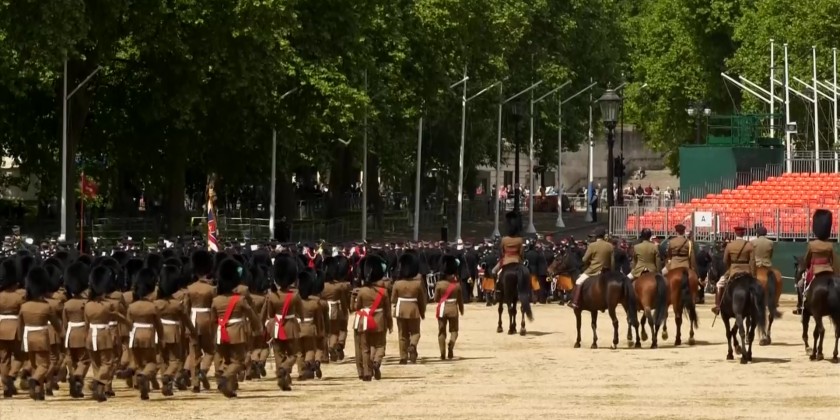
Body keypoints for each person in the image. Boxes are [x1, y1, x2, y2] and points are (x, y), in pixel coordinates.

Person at [210, 258, 262, 398]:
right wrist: (258, 329)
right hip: (236, 332)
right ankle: (226, 377)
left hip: (221, 333)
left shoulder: (216, 300)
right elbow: (251, 315)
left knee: (227, 361)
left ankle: (229, 387)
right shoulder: (240, 299)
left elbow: (213, 319)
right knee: (238, 361)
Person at [18, 267, 63, 400]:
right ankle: (35, 379)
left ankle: (38, 392)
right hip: (41, 337)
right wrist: (62, 335)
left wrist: (21, 340)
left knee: (34, 365)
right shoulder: (46, 306)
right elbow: (56, 324)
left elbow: (20, 325)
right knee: (44, 364)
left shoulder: (24, 306)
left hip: (28, 337)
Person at [155, 265, 197, 396]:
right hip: (173, 331)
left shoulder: (156, 303)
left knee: (163, 359)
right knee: (175, 360)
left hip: (159, 331)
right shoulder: (176, 304)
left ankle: (166, 385)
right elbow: (186, 319)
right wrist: (193, 331)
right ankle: (168, 376)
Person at [265, 253, 303, 391]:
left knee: (278, 354)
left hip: (277, 326)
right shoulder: (295, 295)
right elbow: (301, 312)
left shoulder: (272, 296)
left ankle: (283, 380)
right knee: (293, 354)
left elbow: (270, 314)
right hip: (291, 326)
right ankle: (284, 370)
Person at [127, 268, 165, 400]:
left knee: (139, 363)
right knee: (152, 363)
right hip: (148, 335)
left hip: (134, 336)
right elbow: (158, 325)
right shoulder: (153, 307)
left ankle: (143, 389)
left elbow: (128, 323)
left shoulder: (132, 306)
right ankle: (144, 378)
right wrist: (162, 338)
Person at [353, 255, 392, 381]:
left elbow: (357, 307)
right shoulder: (383, 292)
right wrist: (390, 324)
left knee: (365, 348)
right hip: (379, 321)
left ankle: (367, 373)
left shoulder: (362, 291)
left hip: (364, 321)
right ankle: (376, 361)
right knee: (380, 345)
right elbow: (387, 311)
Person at [185, 250, 216, 393]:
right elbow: (214, 307)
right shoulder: (211, 289)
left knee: (194, 353)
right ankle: (203, 370)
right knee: (210, 351)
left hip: (192, 321)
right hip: (207, 320)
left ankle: (195, 383)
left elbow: (186, 309)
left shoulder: (189, 289)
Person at [390, 251, 426, 364]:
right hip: (413, 310)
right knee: (415, 332)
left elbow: (393, 299)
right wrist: (422, 311)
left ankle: (403, 357)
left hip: (400, 310)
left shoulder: (397, 283)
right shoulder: (418, 283)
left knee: (402, 334)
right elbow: (422, 300)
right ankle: (413, 345)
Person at [712, 227, 756, 315]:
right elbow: (752, 261)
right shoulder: (749, 245)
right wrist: (753, 274)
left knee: (719, 284)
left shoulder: (730, 245)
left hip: (733, 269)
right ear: (743, 234)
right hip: (747, 269)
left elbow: (725, 260)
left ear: (735, 234)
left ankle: (717, 306)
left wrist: (730, 268)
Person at [62, 262, 90, 399]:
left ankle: (73, 381)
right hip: (82, 333)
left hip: (70, 334)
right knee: (84, 360)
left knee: (72, 360)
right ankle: (78, 377)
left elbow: (65, 323)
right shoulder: (85, 303)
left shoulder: (67, 304)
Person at [801, 209, 840, 308]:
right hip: (829, 271)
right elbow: (835, 261)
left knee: (801, 284)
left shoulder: (812, 244)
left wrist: (804, 267)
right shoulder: (830, 245)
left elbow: (806, 259)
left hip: (815, 271)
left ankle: (802, 305)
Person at [570, 227, 614, 309]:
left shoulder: (592, 245)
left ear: (596, 236)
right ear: (604, 236)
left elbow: (584, 259)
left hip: (593, 270)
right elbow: (612, 262)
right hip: (607, 271)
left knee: (579, 281)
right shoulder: (610, 246)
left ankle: (575, 302)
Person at [434, 255, 464, 360]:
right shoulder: (457, 285)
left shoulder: (439, 284)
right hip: (453, 309)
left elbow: (436, 299)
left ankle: (442, 353)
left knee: (441, 332)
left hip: (442, 309)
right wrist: (461, 309)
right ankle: (451, 344)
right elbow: (460, 300)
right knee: (454, 331)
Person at [296, 270, 325, 380]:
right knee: (309, 350)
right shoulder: (314, 303)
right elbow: (318, 319)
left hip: (298, 328)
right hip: (310, 327)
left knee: (299, 352)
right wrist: (319, 330)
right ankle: (309, 363)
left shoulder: (296, 302)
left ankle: (301, 372)